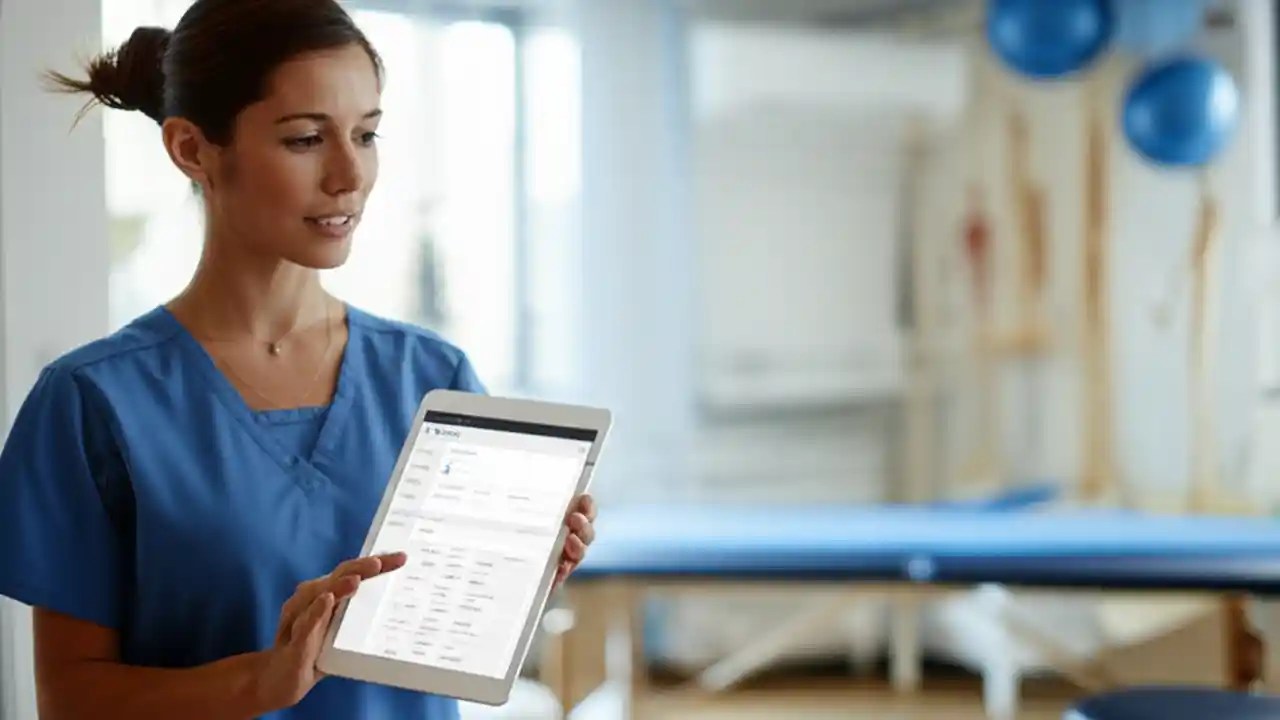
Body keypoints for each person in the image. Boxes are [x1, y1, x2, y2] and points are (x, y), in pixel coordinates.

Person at [0, 1, 598, 718]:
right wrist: (261, 683)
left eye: (367, 134)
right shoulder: (93, 402)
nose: (351, 175)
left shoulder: (431, 377)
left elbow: (435, 645)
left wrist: (509, 579)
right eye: (306, 139)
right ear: (192, 149)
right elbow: (70, 700)